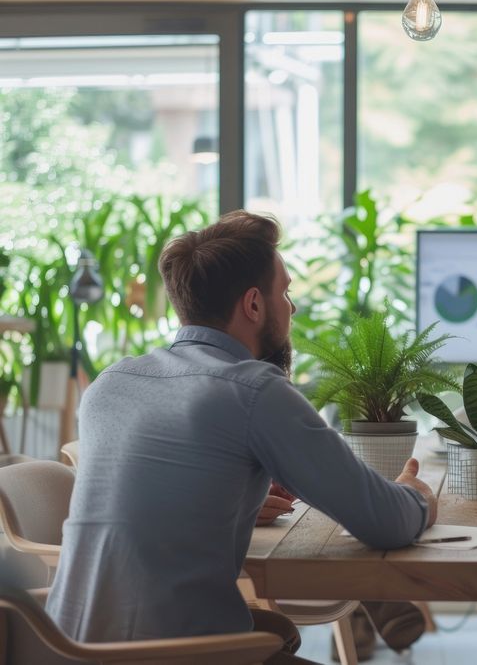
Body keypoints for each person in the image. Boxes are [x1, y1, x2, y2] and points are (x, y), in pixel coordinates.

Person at [46, 211, 438, 664]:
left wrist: (226, 498)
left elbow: (142, 501)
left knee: (274, 632)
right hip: (179, 655)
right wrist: (417, 496)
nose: (292, 308)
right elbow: (384, 521)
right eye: (285, 292)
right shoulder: (253, 389)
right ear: (253, 305)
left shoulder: (111, 383)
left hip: (61, 648)